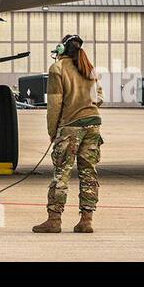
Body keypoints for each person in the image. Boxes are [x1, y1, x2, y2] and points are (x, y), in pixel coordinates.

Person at [33, 34, 102, 234]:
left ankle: (54, 220)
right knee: (88, 173)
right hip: (93, 125)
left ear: (62, 49)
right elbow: (100, 97)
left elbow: (54, 103)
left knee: (61, 173)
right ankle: (86, 220)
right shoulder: (88, 67)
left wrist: (52, 131)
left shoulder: (57, 69)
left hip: (71, 126)